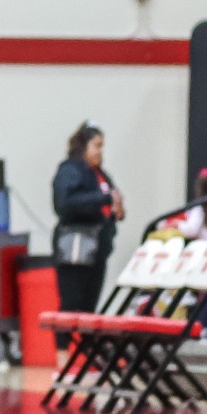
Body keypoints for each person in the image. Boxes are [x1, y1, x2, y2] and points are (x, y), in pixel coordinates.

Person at [51, 123, 124, 313]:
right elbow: (64, 203)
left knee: (89, 306)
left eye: (102, 146)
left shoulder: (99, 173)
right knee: (71, 304)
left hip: (98, 248)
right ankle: (64, 344)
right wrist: (105, 198)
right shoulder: (70, 170)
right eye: (97, 145)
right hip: (76, 247)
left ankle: (85, 343)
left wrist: (117, 208)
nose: (101, 151)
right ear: (83, 146)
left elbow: (110, 200)